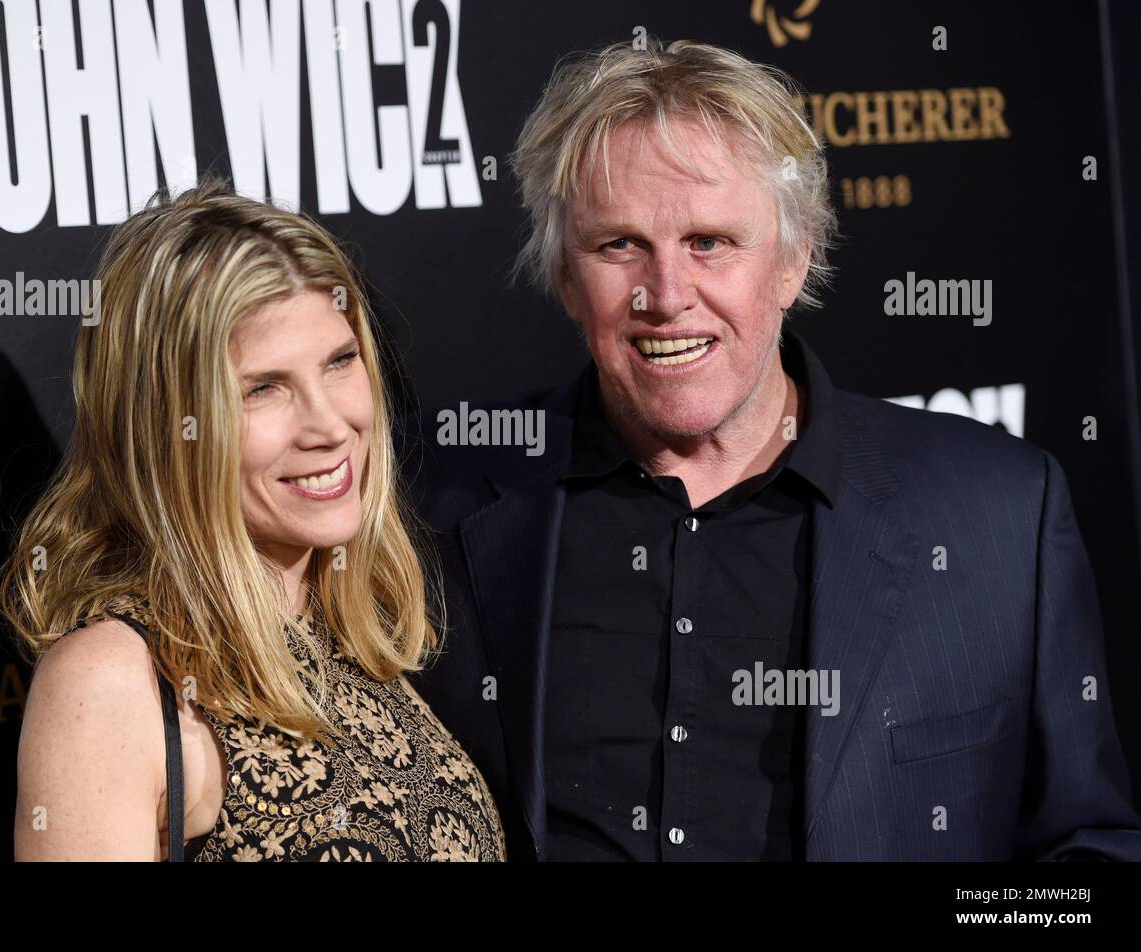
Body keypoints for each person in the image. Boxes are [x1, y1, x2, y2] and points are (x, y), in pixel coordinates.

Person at [400, 38, 1141, 860]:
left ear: (795, 259)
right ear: (566, 277)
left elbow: (1086, 849)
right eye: (619, 246)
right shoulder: (432, 506)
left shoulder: (998, 515)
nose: (668, 295)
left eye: (710, 242)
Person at [1, 179, 505, 861]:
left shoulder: (354, 636)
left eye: (339, 361)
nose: (330, 425)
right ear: (165, 426)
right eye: (263, 389)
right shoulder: (113, 680)